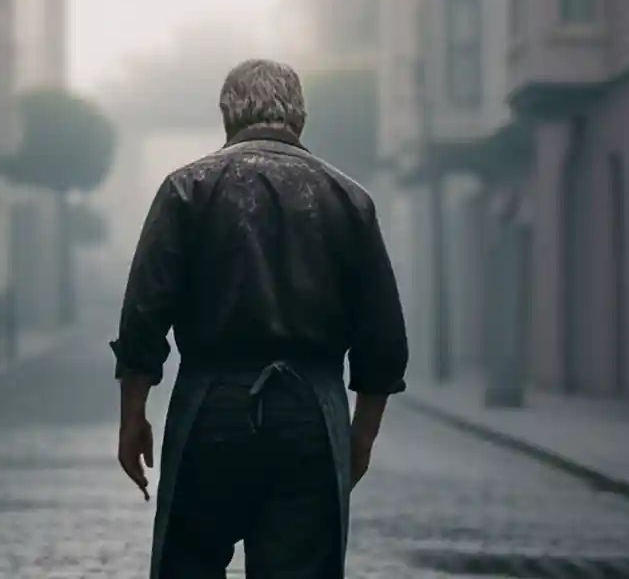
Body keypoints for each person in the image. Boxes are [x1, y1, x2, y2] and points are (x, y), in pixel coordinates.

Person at [111, 58, 409, 578]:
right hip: (311, 415)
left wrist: (132, 417)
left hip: (210, 407)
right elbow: (382, 337)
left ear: (227, 113)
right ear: (301, 116)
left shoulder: (187, 188)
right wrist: (359, 437)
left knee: (190, 564)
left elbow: (144, 313)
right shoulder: (348, 198)